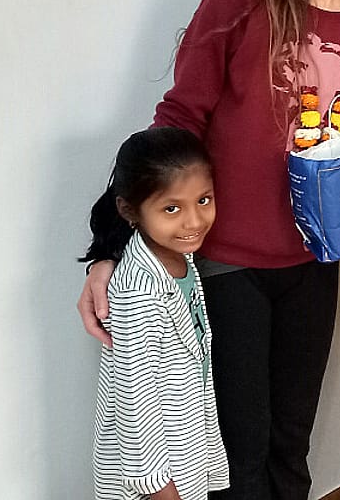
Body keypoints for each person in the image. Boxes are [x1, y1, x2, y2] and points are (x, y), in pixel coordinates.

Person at [78, 0, 340, 500]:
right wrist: (109, 246)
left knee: (293, 438)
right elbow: (177, 120)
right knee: (238, 449)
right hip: (228, 263)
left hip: (314, 263)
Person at [82, 127, 228, 500]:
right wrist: (158, 489)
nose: (194, 221)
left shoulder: (179, 258)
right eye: (172, 208)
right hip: (157, 472)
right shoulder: (138, 290)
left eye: (204, 200)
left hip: (183, 448)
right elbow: (135, 397)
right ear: (130, 210)